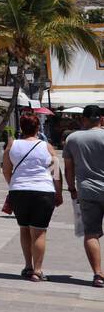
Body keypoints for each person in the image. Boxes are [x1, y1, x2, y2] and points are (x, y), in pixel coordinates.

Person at [2, 112, 62, 282]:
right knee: (39, 232)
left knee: (24, 228)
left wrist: (14, 185)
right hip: (43, 191)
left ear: (21, 127)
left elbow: (6, 170)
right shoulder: (47, 147)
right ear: (38, 128)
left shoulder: (12, 145)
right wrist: (58, 192)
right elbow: (56, 172)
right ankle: (37, 270)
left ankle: (28, 266)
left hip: (19, 191)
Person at [62, 105, 104, 288]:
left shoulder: (73, 139)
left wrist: (71, 188)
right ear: (100, 119)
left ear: (84, 119)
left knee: (91, 233)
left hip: (87, 191)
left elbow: (68, 169)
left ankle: (98, 274)